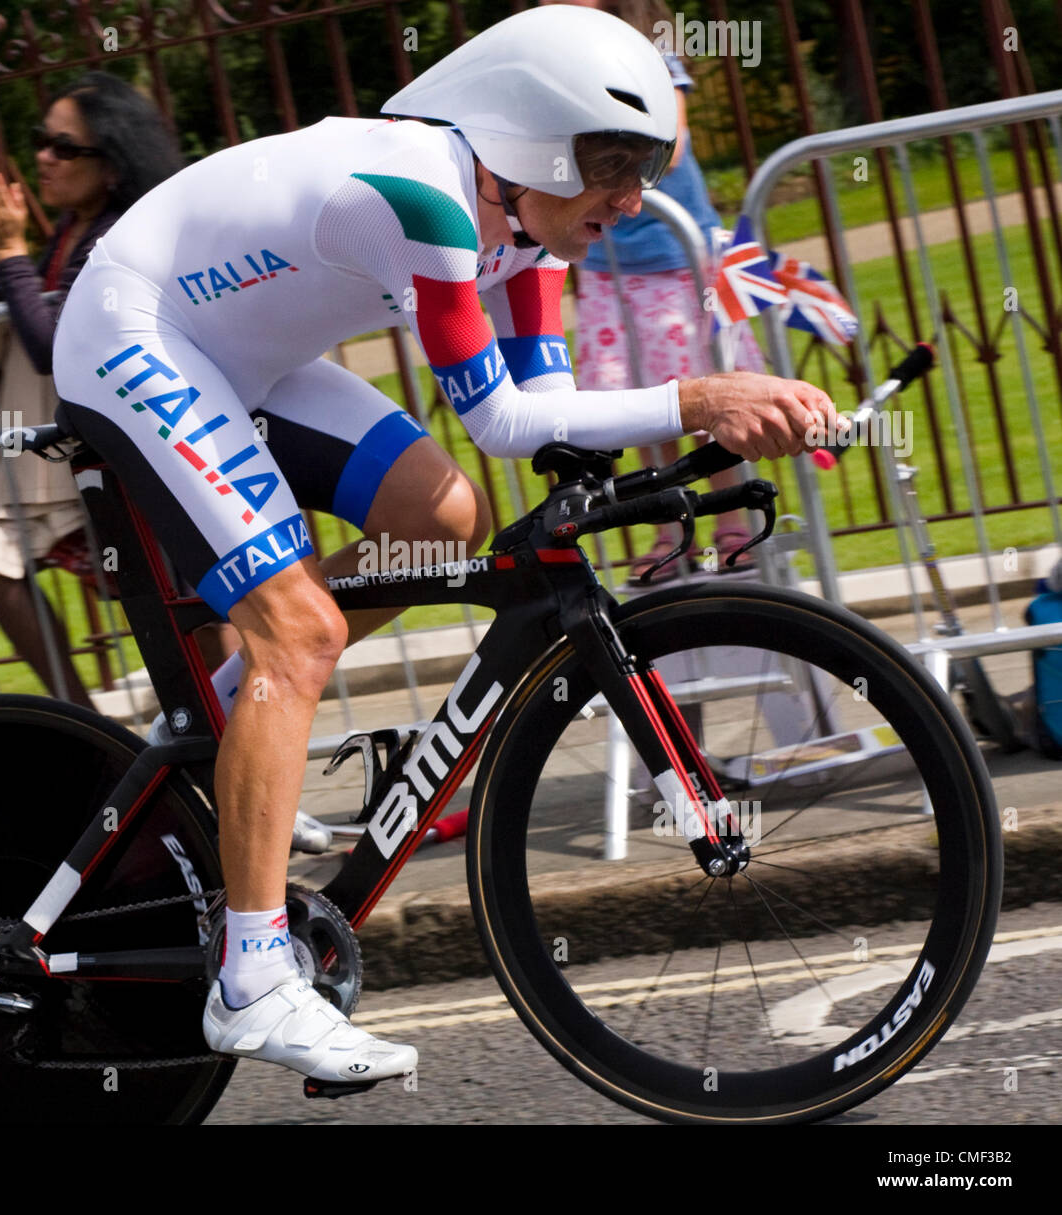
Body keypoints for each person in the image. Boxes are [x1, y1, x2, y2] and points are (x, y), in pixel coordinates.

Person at [51, 4, 836, 1091]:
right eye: (613, 165)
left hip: (246, 361)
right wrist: (700, 394)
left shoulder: (534, 229)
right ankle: (251, 979)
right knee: (304, 634)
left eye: (645, 168)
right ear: (530, 144)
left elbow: (548, 404)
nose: (633, 198)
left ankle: (234, 704)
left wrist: (671, 429)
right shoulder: (422, 196)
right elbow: (506, 422)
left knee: (444, 520)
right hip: (135, 333)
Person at [0, 72, 184, 709]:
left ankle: (226, 744)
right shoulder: (72, 228)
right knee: (2, 569)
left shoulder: (116, 233)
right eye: (40, 141)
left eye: (65, 147)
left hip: (140, 457)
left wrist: (9, 253)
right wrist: (2, 260)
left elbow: (53, 344)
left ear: (113, 164)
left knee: (178, 614)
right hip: (82, 458)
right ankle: (89, 728)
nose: (44, 157)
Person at [571, 0, 768, 581]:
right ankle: (667, 533)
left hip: (676, 263)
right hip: (609, 266)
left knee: (706, 392)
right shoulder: (558, 66)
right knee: (638, 397)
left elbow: (670, 144)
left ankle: (732, 519)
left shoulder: (651, 59)